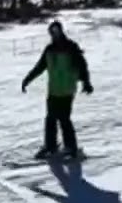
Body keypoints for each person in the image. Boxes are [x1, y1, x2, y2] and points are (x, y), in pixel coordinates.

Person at [20, 21, 93, 160]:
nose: (55, 34)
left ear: (61, 31)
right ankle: (50, 146)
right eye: (52, 32)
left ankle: (71, 147)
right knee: (50, 119)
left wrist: (86, 82)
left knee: (64, 119)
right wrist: (27, 80)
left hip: (67, 89)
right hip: (53, 90)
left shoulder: (71, 47)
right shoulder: (49, 50)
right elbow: (40, 67)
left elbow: (82, 66)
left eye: (56, 31)